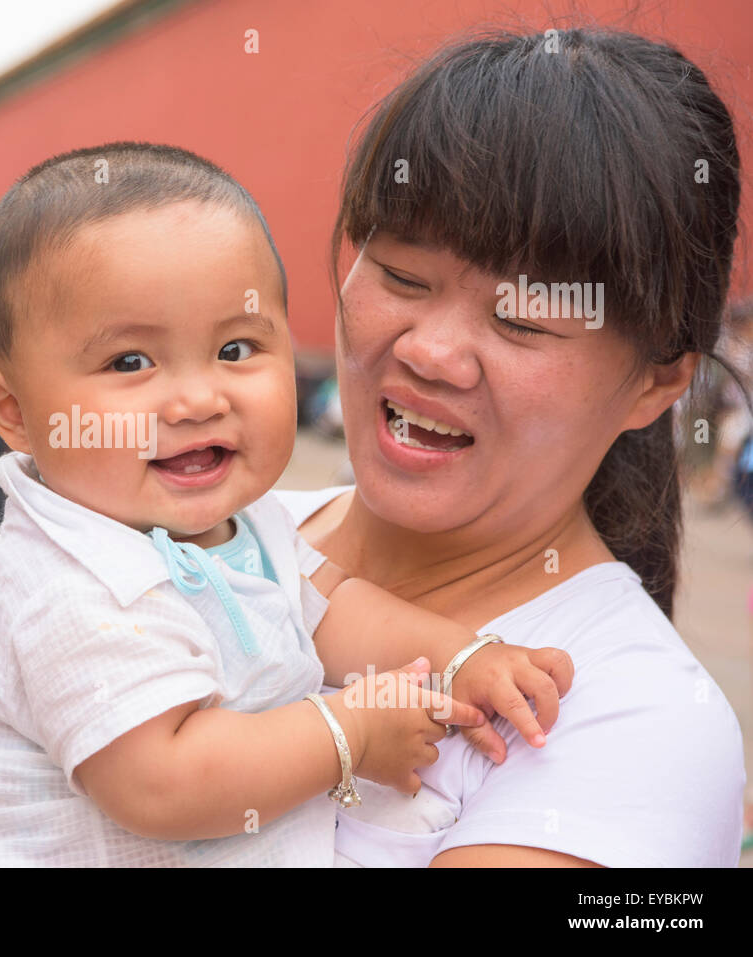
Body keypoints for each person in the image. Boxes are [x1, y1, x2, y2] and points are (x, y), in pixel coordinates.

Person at [0, 143, 570, 867]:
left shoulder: (249, 523)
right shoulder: (64, 582)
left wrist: (460, 657)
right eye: (130, 362)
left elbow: (332, 607)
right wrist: (350, 732)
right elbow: (162, 782)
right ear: (13, 410)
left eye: (236, 349)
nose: (201, 398)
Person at [278, 27, 746, 866]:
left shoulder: (628, 721)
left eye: (523, 319)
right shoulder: (215, 538)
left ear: (656, 384)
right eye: (402, 276)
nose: (429, 351)